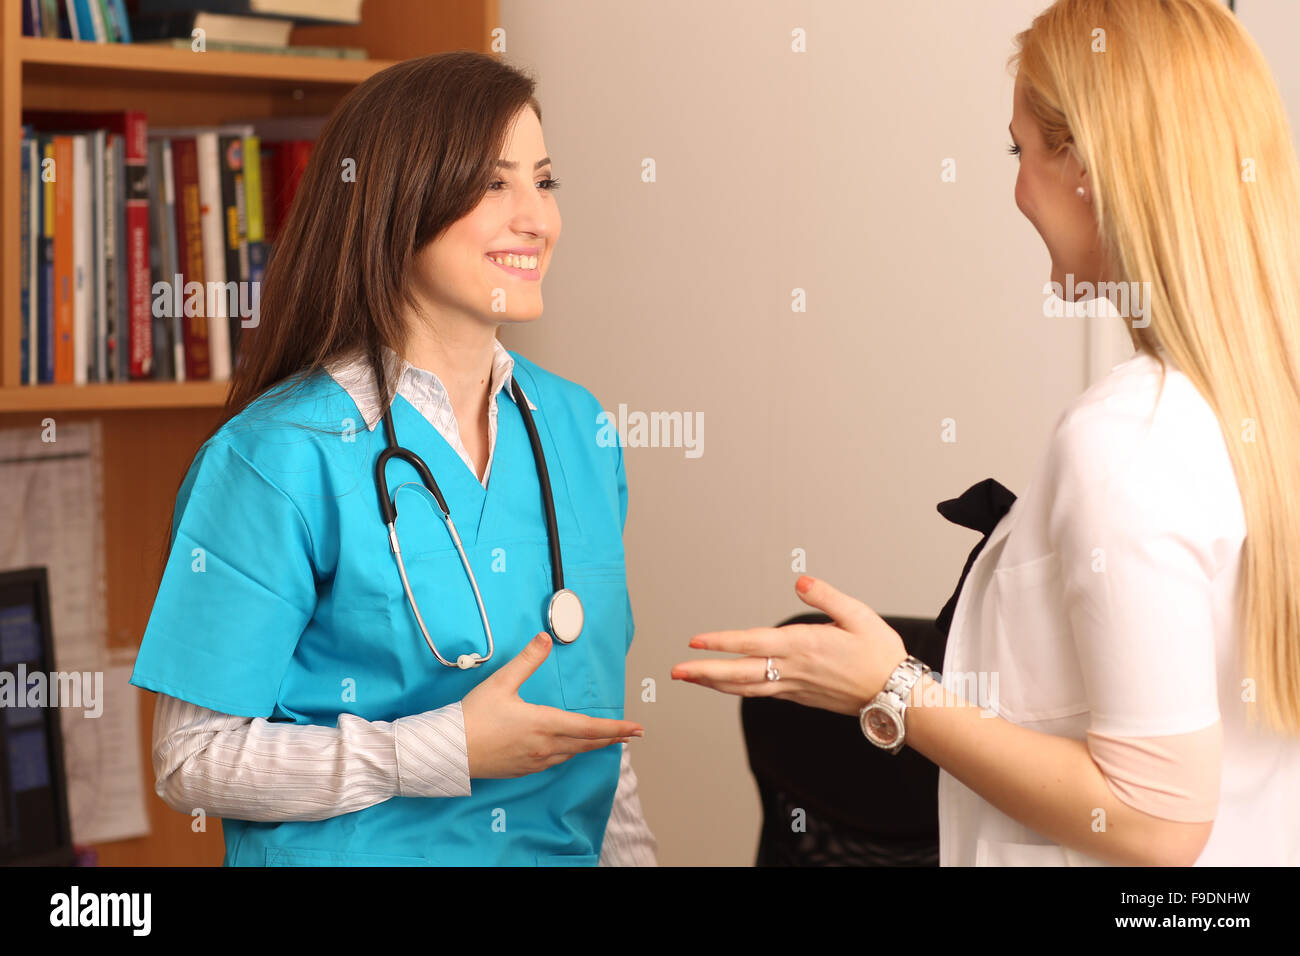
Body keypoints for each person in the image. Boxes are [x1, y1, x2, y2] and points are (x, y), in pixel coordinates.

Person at [673, 0, 1300, 866]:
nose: (1015, 188)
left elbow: (1157, 822)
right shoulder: (1263, 418)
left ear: (1085, 161)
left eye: (1021, 150)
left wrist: (889, 689)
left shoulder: (1128, 437)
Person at [131, 51, 657, 867]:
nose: (536, 219)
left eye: (544, 182)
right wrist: (440, 749)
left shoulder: (578, 428)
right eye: (493, 184)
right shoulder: (277, 456)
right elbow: (192, 759)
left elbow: (594, 745)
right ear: (397, 202)